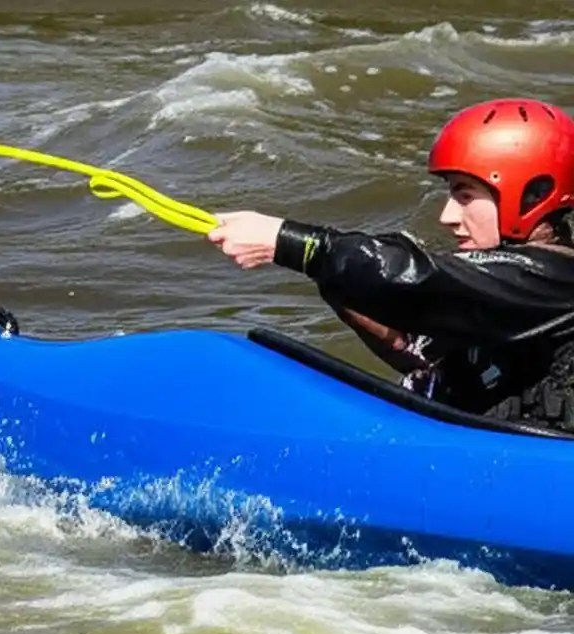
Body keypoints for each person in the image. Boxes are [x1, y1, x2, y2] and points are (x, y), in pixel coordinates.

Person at [204, 97, 574, 430]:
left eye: (465, 196)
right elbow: (421, 339)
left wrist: (290, 242)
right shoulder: (507, 291)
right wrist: (355, 297)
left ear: (532, 196)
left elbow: (416, 278)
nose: (447, 216)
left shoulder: (556, 278)